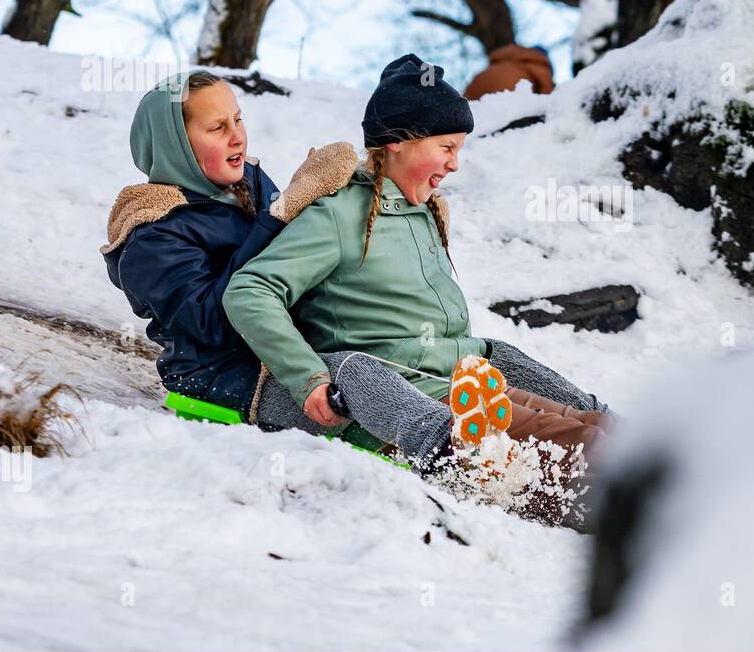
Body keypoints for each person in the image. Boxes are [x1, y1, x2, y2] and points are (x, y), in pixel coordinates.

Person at [223, 54, 619, 528]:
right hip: (425, 397)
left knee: (609, 434)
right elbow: (250, 290)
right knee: (588, 453)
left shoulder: (424, 212)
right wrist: (308, 377)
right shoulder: (339, 214)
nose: (454, 164)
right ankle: (662, 519)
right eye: (447, 147)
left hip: (472, 385)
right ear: (398, 143)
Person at [100, 70, 386, 422]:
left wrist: (337, 198)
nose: (237, 137)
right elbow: (213, 323)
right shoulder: (153, 233)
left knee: (386, 346)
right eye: (217, 128)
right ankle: (445, 449)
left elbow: (293, 255)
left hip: (290, 348)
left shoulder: (248, 182)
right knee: (357, 382)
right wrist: (277, 217)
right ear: (176, 144)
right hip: (224, 375)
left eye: (238, 120)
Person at [463, 44, 554, 101]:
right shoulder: (539, 63)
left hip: (471, 97)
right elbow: (546, 95)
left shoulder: (502, 61)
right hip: (507, 97)